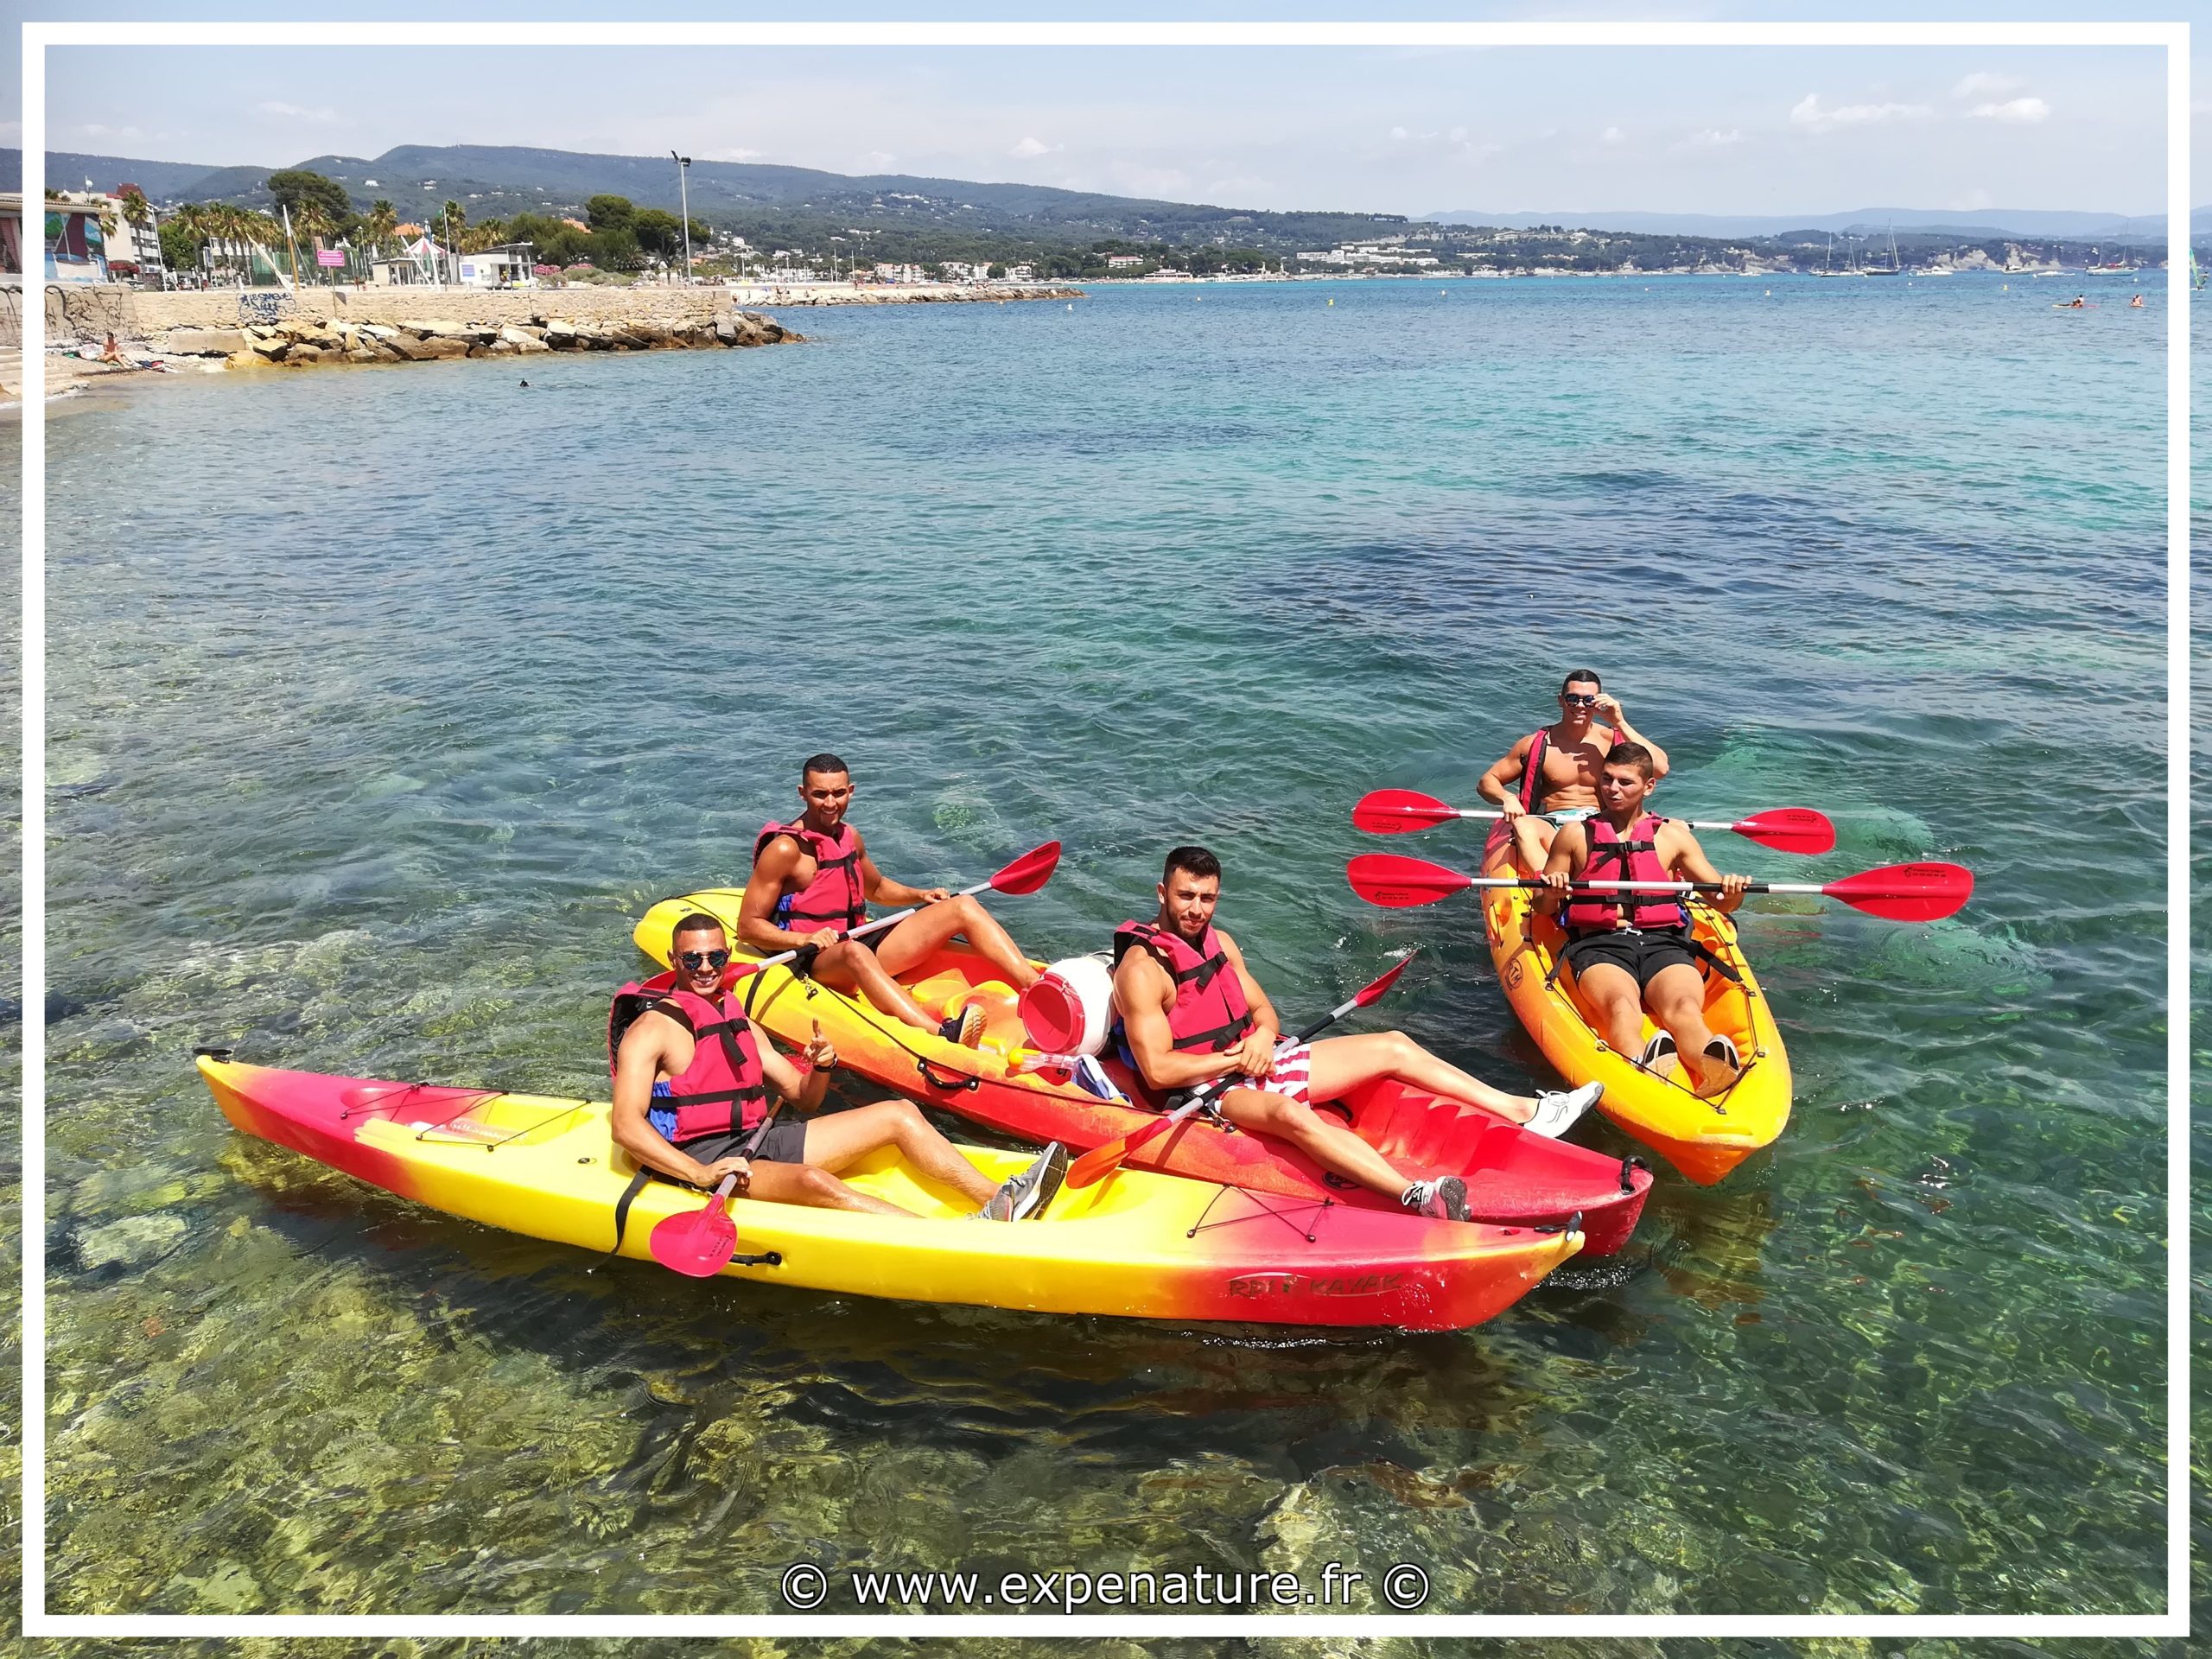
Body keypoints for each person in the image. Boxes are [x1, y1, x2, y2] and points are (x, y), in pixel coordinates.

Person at [1110, 846, 1603, 1222]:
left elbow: (1264, 1012)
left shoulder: (1221, 943)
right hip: (1211, 1089)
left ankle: (1528, 1111)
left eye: (1207, 898)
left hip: (1258, 1060)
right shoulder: (1142, 970)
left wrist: (1261, 1041)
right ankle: (1412, 1194)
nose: (1197, 909)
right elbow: (1157, 1071)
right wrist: (1236, 1062)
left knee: (1393, 1044)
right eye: (1186, 896)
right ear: (1162, 893)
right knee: (1288, 1113)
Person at [611, 914, 1065, 1221]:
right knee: (814, 1181)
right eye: (693, 959)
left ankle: (997, 1202)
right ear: (675, 961)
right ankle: (951, 1238)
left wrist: (822, 1066)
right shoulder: (651, 1029)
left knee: (899, 1113)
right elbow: (626, 1128)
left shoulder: (738, 1020)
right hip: (700, 1156)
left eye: (716, 957)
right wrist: (699, 1175)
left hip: (755, 1140)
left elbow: (804, 1098)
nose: (706, 968)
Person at [741, 753, 1042, 1046]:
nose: (831, 803)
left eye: (839, 793)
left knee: (962, 906)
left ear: (851, 791)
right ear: (802, 793)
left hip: (857, 939)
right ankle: (941, 1033)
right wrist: (803, 939)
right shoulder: (785, 849)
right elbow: (748, 927)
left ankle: (1039, 990)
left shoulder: (849, 837)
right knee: (853, 952)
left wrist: (920, 894)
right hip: (814, 957)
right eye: (820, 794)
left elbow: (877, 888)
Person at [1538, 742, 1751, 1097]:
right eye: (1606, 780)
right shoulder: (1575, 835)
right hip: (1600, 945)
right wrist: (1554, 891)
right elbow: (1544, 907)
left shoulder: (1672, 837)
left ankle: (1714, 1070)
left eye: (1625, 782)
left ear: (1648, 786)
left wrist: (1734, 889)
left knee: (1684, 1008)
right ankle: (1644, 1066)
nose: (1612, 790)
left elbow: (1723, 903)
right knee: (1622, 1007)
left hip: (1665, 942)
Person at [1478, 671, 1670, 877]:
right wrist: (1507, 798)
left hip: (1598, 826)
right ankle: (1550, 884)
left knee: (1670, 830)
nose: (1580, 706)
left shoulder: (1612, 740)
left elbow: (1660, 769)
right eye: (1572, 699)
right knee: (1523, 824)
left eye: (1588, 700)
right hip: (1550, 826)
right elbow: (1487, 781)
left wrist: (1619, 722)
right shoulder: (1537, 743)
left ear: (1598, 703)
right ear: (1561, 701)